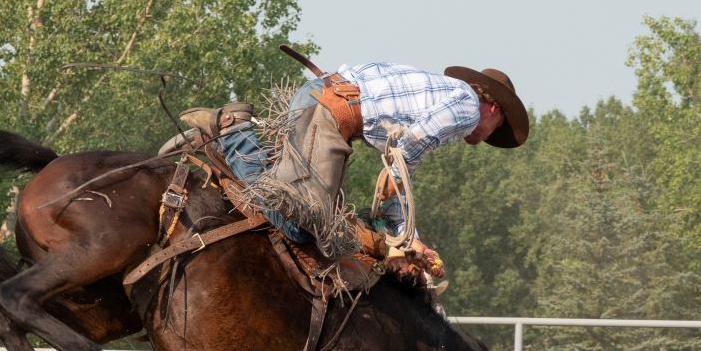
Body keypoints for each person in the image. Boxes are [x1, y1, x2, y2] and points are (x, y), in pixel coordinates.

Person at [169, 61, 528, 270]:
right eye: (496, 130)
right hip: (330, 113)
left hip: (325, 99)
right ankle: (232, 132)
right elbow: (413, 143)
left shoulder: (440, 89)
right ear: (493, 108)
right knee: (303, 223)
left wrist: (408, 239)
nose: (485, 139)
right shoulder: (466, 106)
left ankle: (228, 140)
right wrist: (400, 228)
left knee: (292, 208)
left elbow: (401, 156)